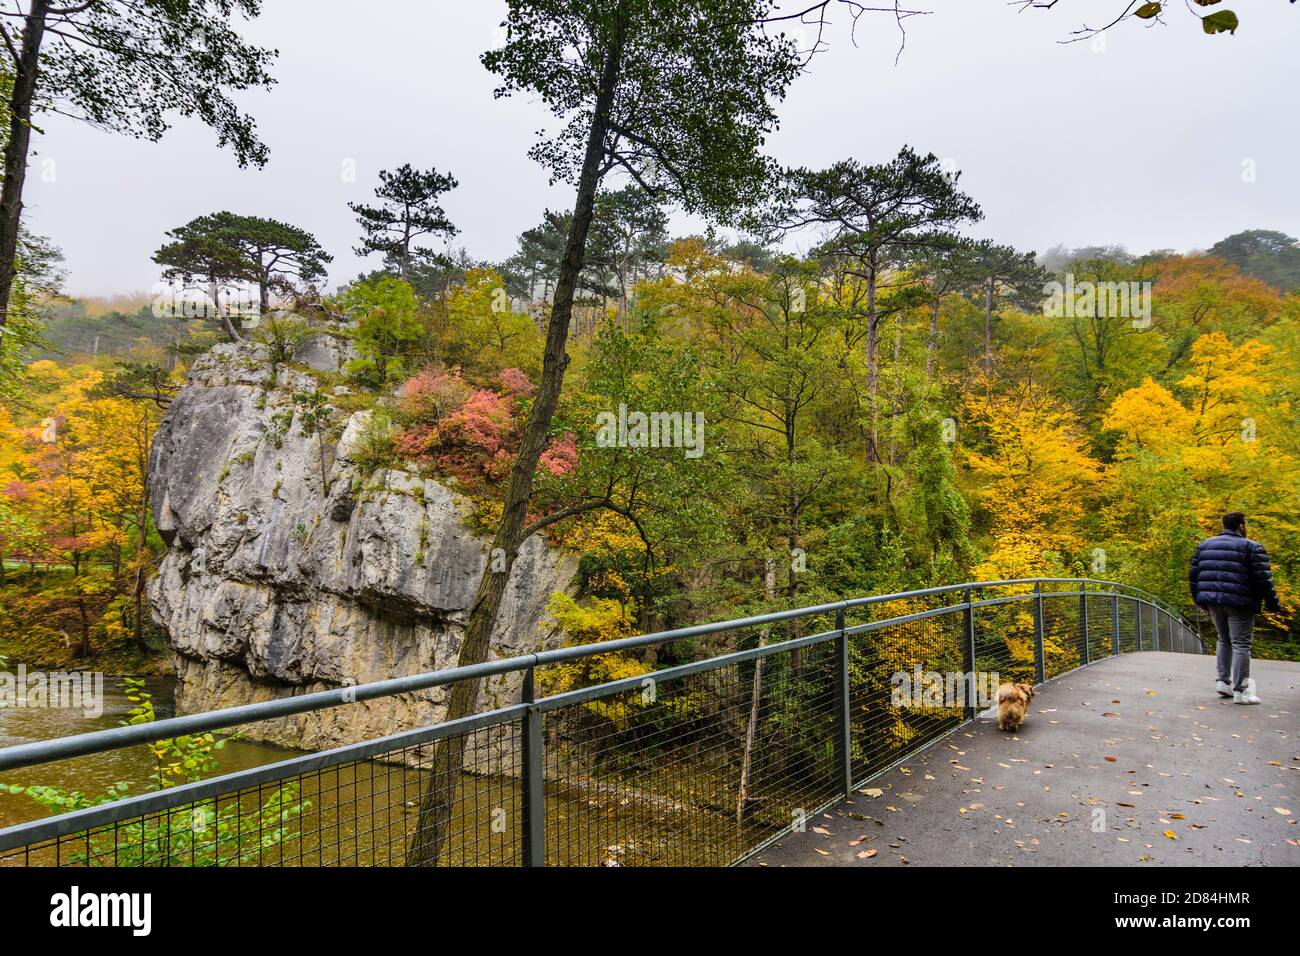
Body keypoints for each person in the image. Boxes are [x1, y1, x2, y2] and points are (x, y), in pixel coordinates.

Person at [1189, 511, 1281, 705]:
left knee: (1224, 639)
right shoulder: (1251, 547)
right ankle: (1241, 691)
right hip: (1240, 603)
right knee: (1241, 644)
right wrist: (1272, 604)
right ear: (1241, 526)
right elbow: (1264, 579)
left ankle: (1223, 682)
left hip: (1213, 600)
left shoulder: (1204, 545)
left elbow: (1194, 576)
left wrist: (1201, 600)